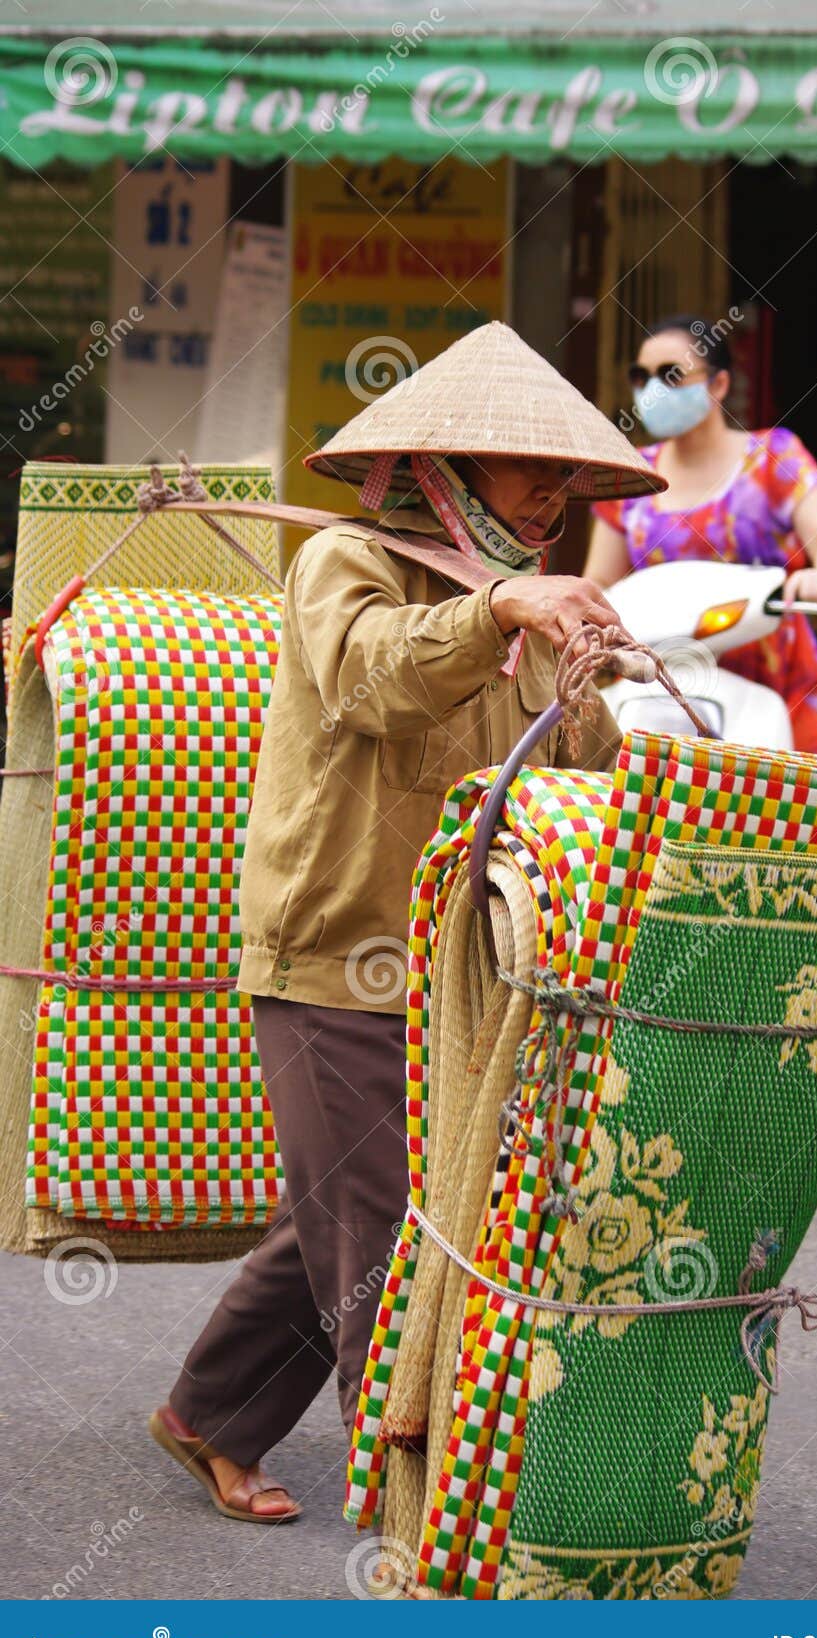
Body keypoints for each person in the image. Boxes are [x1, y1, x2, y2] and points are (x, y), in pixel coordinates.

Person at [149, 321, 663, 1521]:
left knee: (353, 1207)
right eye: (524, 467)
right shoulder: (345, 563)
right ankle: (416, 1488)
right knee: (383, 1223)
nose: (554, 494)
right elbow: (368, 679)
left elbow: (575, 773)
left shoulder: (526, 606)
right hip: (329, 946)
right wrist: (498, 613)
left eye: (565, 476)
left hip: (460, 969)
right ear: (443, 466)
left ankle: (205, 1415)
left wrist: (591, 680)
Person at [584, 313, 817, 1104]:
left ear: (720, 384)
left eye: (671, 375)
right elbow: (600, 585)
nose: (652, 391)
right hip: (664, 680)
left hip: (774, 676)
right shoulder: (630, 478)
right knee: (643, 833)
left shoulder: (773, 459)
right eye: (640, 377)